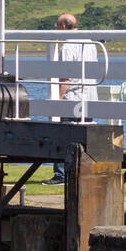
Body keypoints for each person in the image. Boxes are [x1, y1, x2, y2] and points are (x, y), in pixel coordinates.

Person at [48, 14, 99, 184]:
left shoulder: (68, 46)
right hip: (89, 96)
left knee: (63, 135)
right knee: (84, 136)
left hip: (72, 97)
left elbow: (65, 78)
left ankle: (61, 174)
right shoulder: (91, 42)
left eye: (56, 26)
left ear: (63, 27)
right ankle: (83, 172)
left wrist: (58, 100)